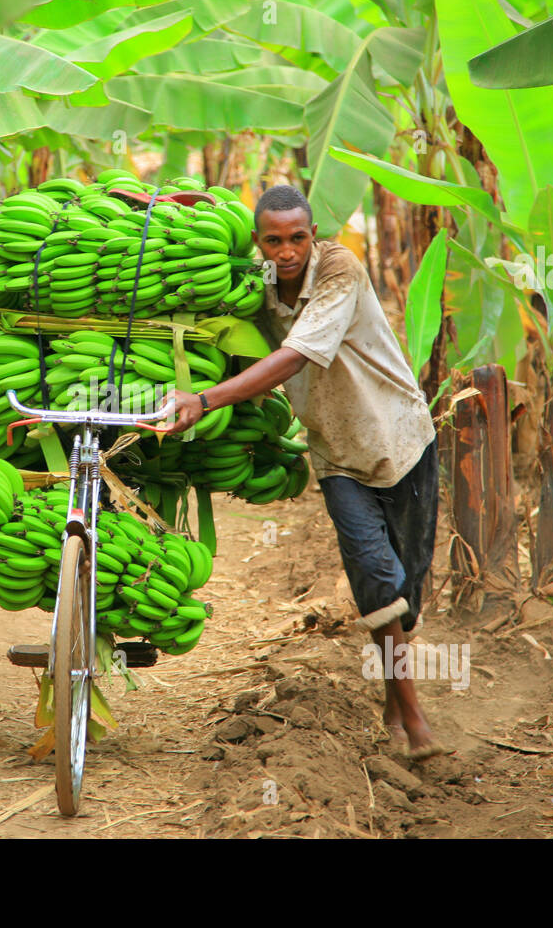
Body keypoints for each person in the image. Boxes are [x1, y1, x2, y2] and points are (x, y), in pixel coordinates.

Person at [166, 184, 447, 760]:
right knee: (375, 575)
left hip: (402, 440)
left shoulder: (339, 270)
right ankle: (415, 723)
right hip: (338, 456)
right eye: (273, 240)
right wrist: (171, 205)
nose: (286, 251)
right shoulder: (256, 284)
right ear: (258, 242)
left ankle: (396, 699)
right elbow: (209, 268)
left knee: (405, 594)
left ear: (312, 234)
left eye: (297, 237)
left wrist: (207, 398)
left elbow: (296, 355)